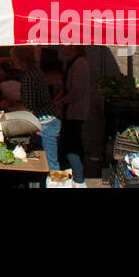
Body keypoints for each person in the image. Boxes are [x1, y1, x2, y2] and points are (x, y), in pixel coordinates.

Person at [11, 45, 63, 185]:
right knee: (51, 160)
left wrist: (10, 107)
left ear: (19, 59)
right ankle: (55, 183)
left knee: (52, 163)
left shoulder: (28, 77)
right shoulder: (36, 71)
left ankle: (57, 185)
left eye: (13, 58)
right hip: (51, 119)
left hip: (46, 122)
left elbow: (29, 107)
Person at [54, 45, 91, 188]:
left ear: (73, 47)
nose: (62, 47)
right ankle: (68, 178)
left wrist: (60, 102)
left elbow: (76, 91)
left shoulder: (80, 63)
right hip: (70, 110)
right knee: (70, 144)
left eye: (64, 45)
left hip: (75, 111)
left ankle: (80, 181)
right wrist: (57, 100)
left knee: (71, 146)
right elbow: (65, 87)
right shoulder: (72, 62)